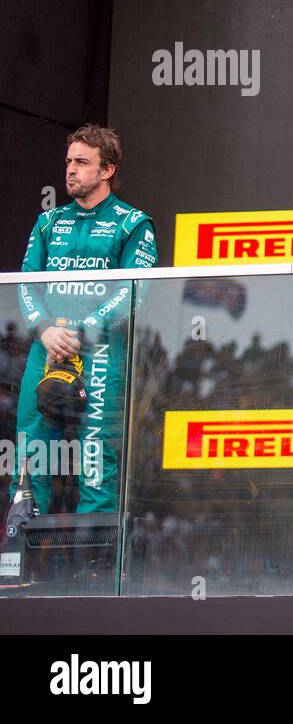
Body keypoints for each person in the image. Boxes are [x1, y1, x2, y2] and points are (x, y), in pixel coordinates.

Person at [15, 125, 158, 514]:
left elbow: (133, 291)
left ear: (107, 169)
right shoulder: (47, 223)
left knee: (95, 464)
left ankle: (92, 568)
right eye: (68, 162)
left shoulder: (134, 224)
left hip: (101, 352)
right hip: (46, 349)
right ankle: (19, 558)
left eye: (82, 162)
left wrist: (80, 331)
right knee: (30, 456)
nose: (70, 171)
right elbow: (26, 284)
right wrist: (45, 330)